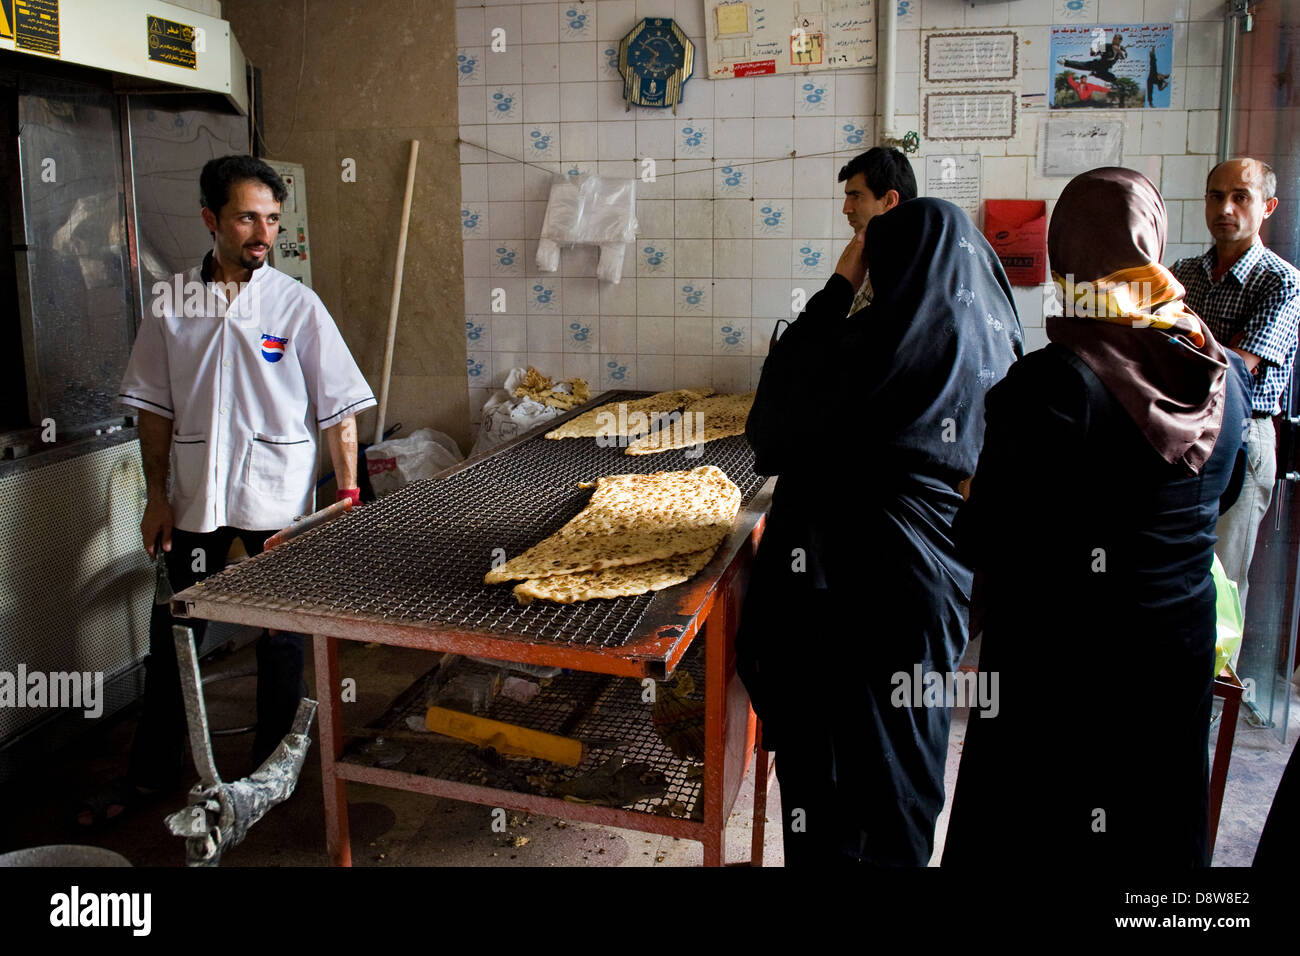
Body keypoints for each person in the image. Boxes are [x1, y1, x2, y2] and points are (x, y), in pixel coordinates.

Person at [942, 167, 1251, 867]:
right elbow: (1218, 492)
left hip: (1062, 663)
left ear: (1067, 259)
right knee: (1150, 818)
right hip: (1174, 647)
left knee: (1041, 825)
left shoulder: (1054, 384)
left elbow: (989, 535)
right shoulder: (1223, 372)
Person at [79, 155, 376, 827]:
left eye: (271, 219)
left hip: (278, 498)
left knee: (281, 639)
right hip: (196, 498)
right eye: (247, 217)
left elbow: (340, 409)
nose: (261, 233)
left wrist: (347, 497)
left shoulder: (295, 304)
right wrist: (156, 496)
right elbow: (152, 409)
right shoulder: (173, 305)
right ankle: (152, 775)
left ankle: (275, 776)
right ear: (211, 220)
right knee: (175, 635)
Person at [737, 197, 1024, 865]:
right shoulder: (997, 345)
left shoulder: (862, 346)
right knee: (906, 754)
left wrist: (836, 287)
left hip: (839, 578)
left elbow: (770, 429)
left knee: (829, 766)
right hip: (933, 578)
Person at [1172, 158, 1300, 613]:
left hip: (1243, 433)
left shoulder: (1282, 282)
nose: (1225, 207)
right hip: (1179, 427)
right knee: (1174, 567)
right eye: (1215, 195)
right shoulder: (1183, 274)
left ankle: (1214, 685)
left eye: (1241, 197)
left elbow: (1234, 369)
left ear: (1268, 207)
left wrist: (1186, 346)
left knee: (1223, 579)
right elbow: (1158, 353)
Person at [838, 146, 917, 315]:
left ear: (889, 200)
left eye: (856, 196)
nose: (846, 209)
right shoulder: (879, 256)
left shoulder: (909, 269)